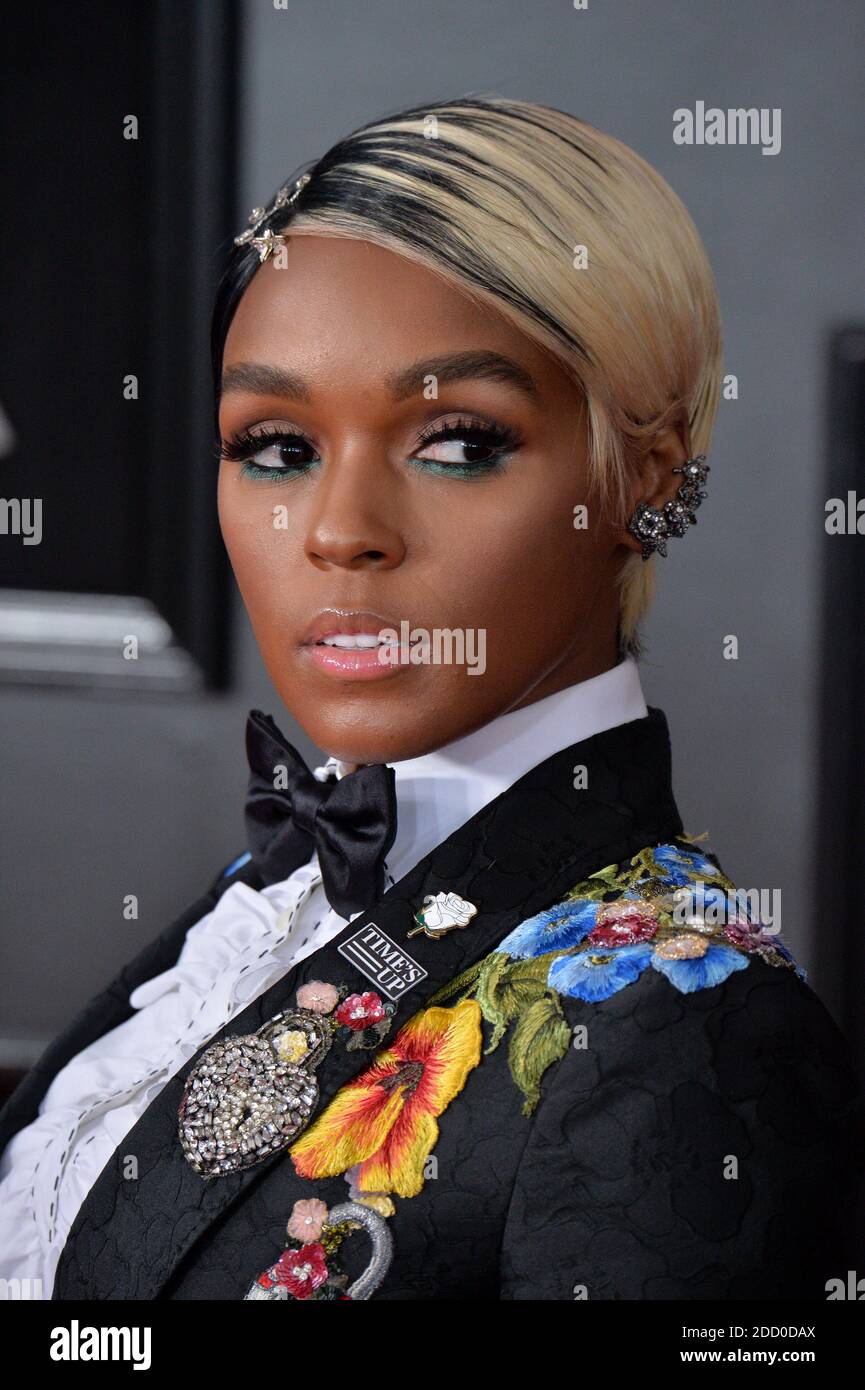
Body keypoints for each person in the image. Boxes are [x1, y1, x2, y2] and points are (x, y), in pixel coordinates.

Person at [1, 94, 862, 1302]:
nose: (341, 533)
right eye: (276, 448)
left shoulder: (690, 1030)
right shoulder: (272, 896)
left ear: (644, 473)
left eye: (456, 442)